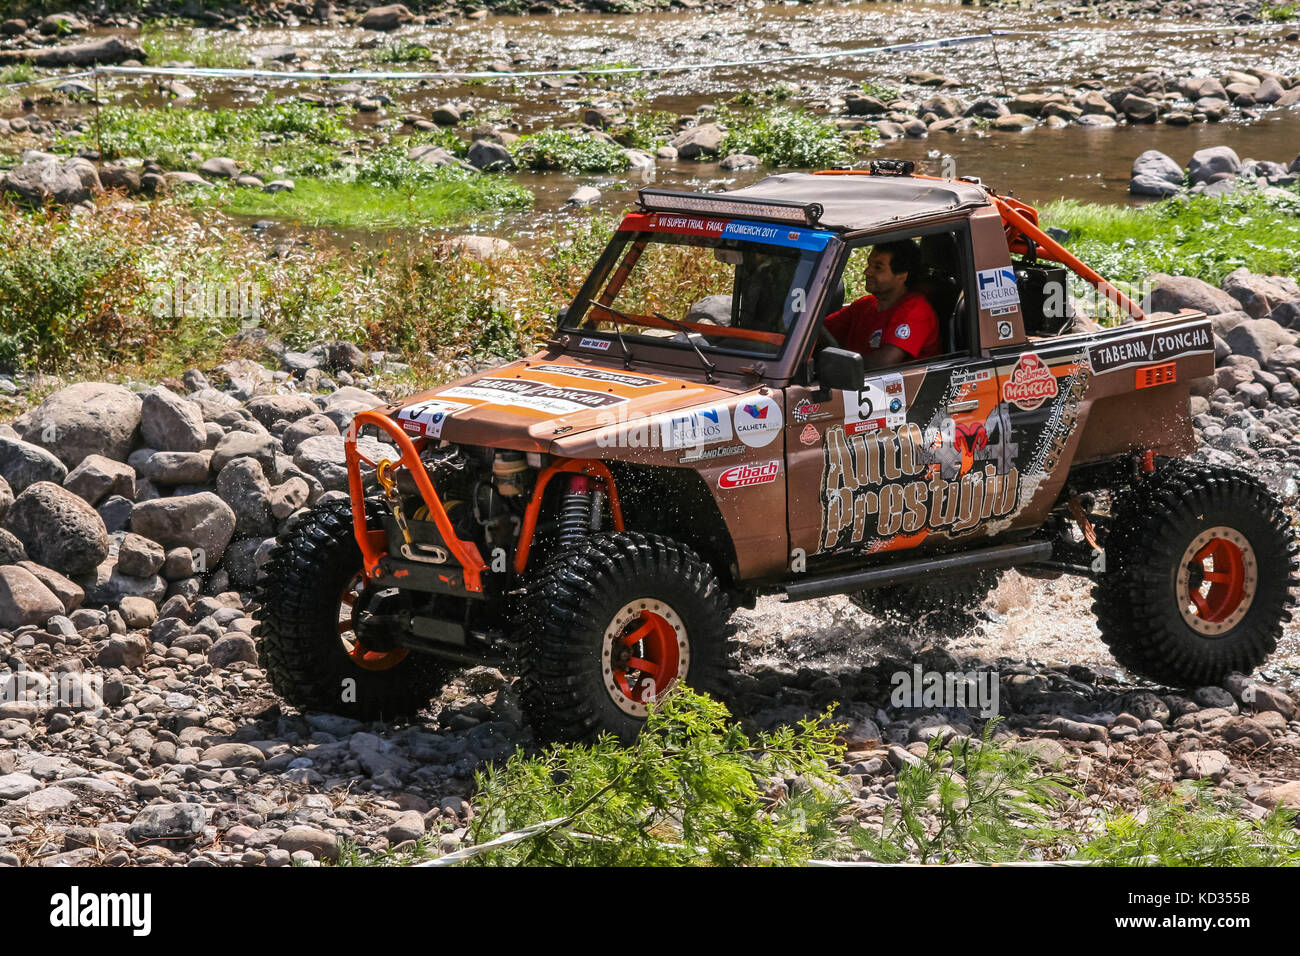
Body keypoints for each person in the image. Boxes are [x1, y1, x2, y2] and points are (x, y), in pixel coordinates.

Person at [823, 239, 939, 370]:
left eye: (878, 267)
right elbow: (820, 332)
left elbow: (884, 362)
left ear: (902, 275)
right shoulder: (864, 305)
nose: (867, 272)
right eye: (869, 265)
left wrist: (834, 365)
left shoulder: (916, 311)